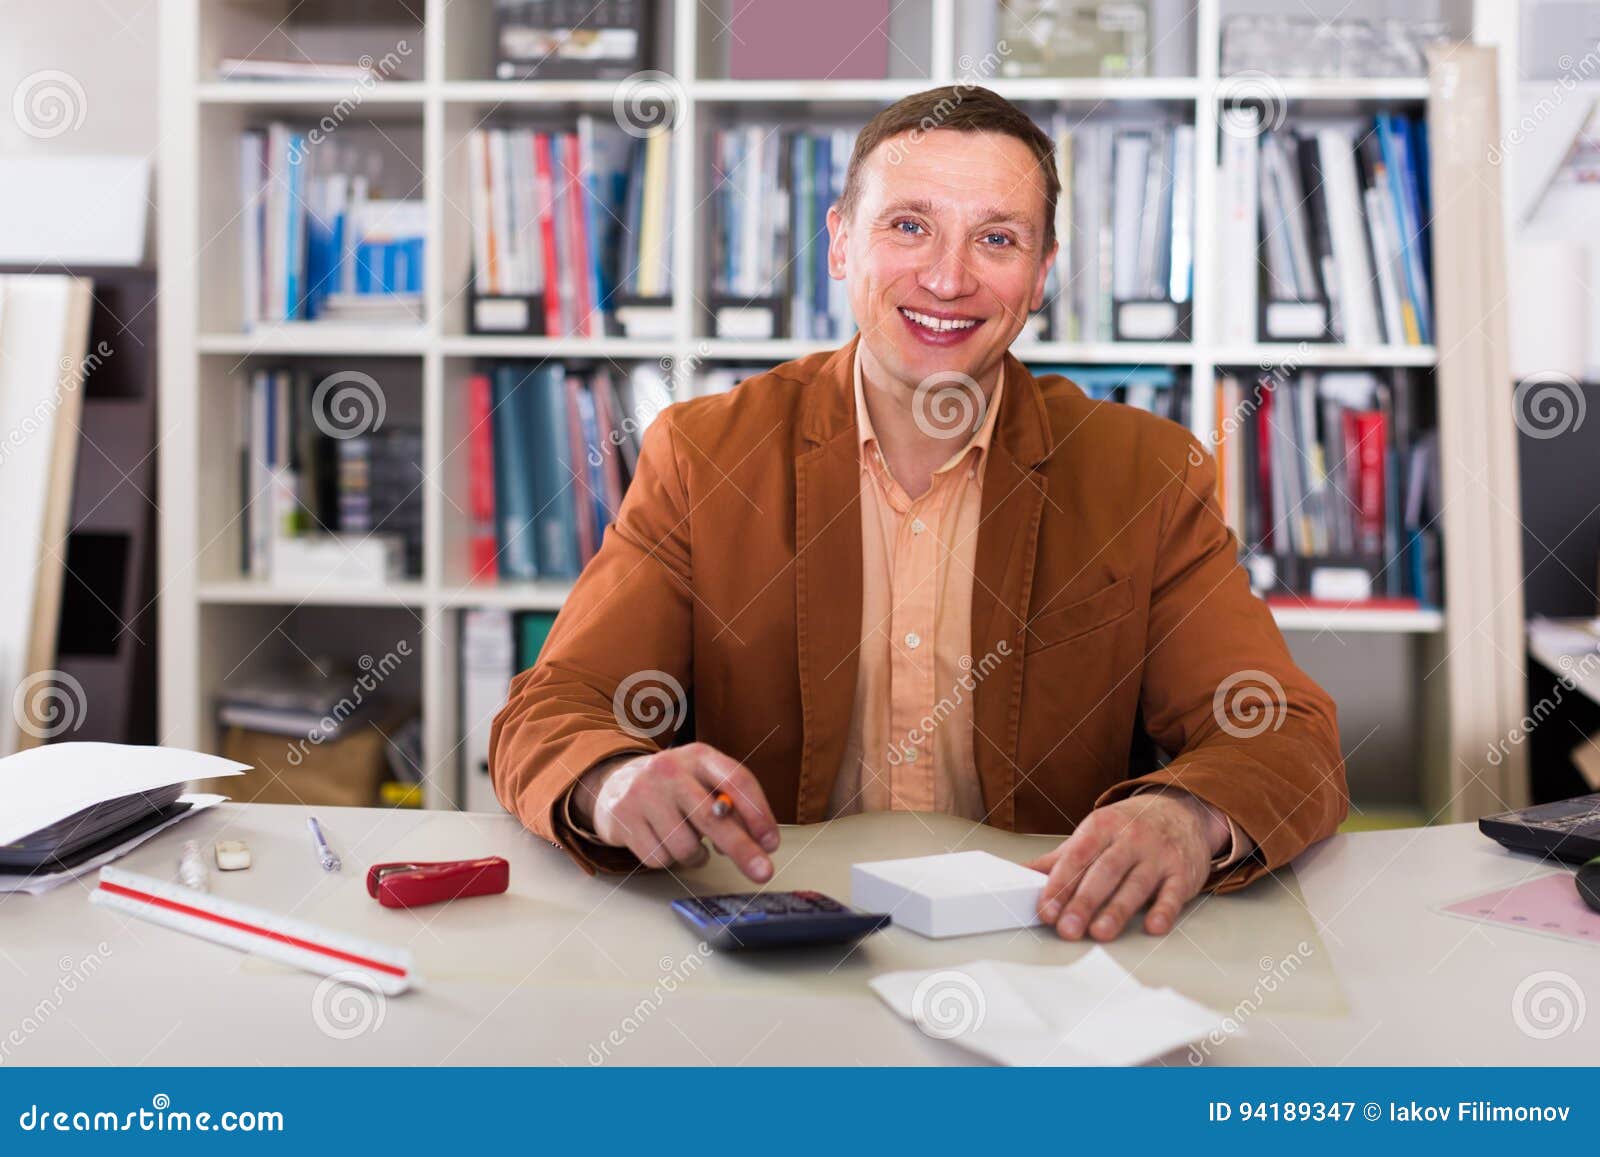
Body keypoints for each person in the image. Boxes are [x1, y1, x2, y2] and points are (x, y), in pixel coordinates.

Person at [490, 85, 1347, 943]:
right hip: (779, 938)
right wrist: (613, 780)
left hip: (1050, 941)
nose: (947, 276)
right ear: (839, 243)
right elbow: (553, 706)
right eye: (908, 225)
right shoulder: (705, 455)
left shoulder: (1143, 474)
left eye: (998, 238)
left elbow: (1283, 733)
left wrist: (1183, 816)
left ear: (1043, 272)